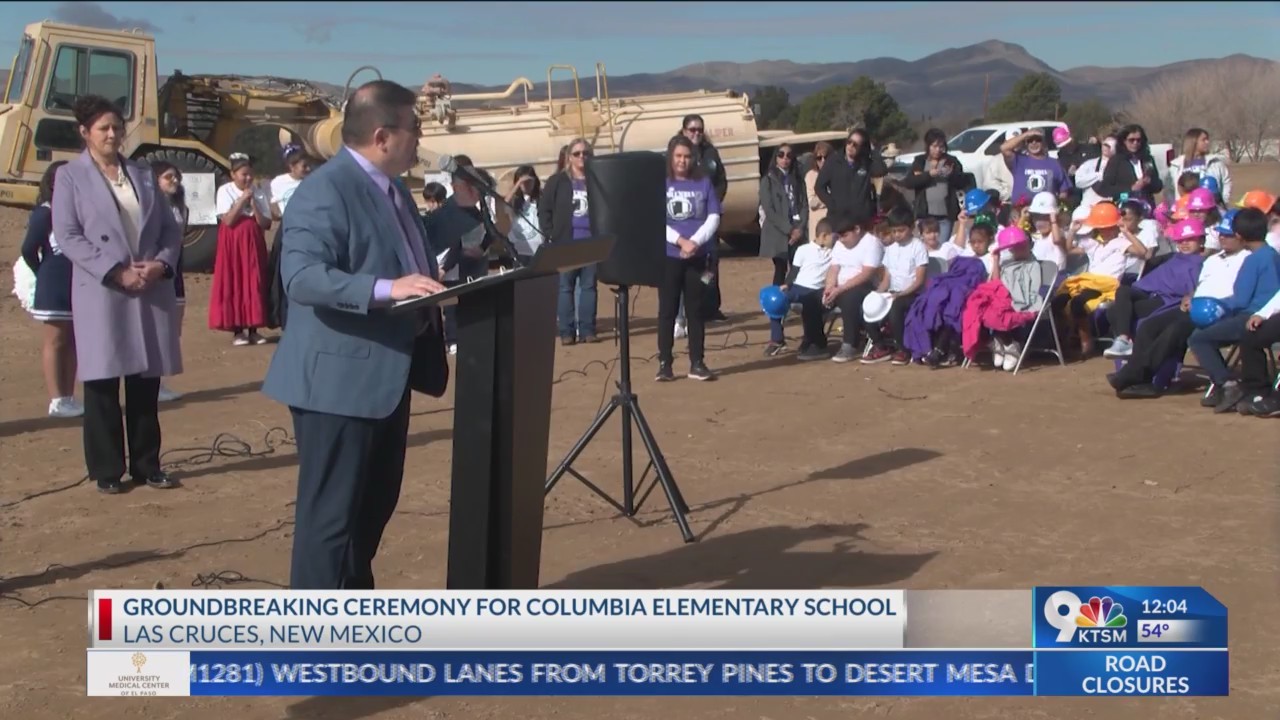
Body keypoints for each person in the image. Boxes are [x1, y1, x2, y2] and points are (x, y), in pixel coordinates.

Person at [262, 80, 448, 590]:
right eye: (416, 127)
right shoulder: (325, 190)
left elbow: (406, 262)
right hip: (337, 385)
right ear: (384, 135)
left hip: (387, 376)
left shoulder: (391, 188)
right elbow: (301, 278)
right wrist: (388, 288)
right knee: (331, 524)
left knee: (369, 514)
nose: (421, 137)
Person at [52, 95, 183, 494]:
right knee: (103, 380)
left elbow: (168, 229)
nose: (112, 134)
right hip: (103, 288)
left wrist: (160, 264)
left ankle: (147, 464)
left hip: (147, 286)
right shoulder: (70, 177)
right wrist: (114, 271)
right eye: (103, 128)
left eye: (117, 127)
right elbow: (68, 235)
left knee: (145, 380)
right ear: (84, 133)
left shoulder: (143, 174)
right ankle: (107, 469)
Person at [1190, 208, 1280, 412]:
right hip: (1269, 315)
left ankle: (1227, 384)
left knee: (1198, 338)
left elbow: (1241, 299)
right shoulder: (1273, 255)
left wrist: (1219, 305)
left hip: (1251, 317)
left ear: (1239, 236)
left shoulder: (1253, 260)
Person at [656, 134, 721, 382]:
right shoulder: (661, 183)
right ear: (671, 158)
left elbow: (714, 216)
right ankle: (665, 363)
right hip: (670, 256)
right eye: (678, 156)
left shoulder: (703, 182)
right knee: (667, 311)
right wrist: (680, 241)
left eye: (686, 156)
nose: (682, 161)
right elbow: (657, 219)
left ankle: (697, 362)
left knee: (695, 310)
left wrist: (695, 241)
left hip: (698, 256)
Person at [21, 161, 83, 418]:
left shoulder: (80, 211)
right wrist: (43, 272)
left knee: (73, 341)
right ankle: (56, 399)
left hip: (77, 282)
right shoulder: (44, 212)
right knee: (56, 340)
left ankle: (69, 397)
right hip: (53, 282)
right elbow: (28, 249)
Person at [1103, 217, 1208, 359]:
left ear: (1201, 241)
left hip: (1168, 300)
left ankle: (1129, 345)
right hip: (1151, 293)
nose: (1184, 244)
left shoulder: (1201, 263)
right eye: (1181, 240)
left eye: (1190, 240)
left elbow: (1194, 288)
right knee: (1123, 291)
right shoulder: (1174, 257)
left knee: (1114, 311)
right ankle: (1124, 340)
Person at [539, 137, 598, 346]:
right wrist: (549, 232)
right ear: (569, 157)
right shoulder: (558, 181)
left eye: (586, 153)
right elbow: (544, 208)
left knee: (589, 286)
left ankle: (588, 329)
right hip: (565, 241)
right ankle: (566, 331)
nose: (582, 157)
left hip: (591, 242)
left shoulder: (597, 179)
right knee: (565, 287)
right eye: (577, 153)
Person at [210, 152, 273, 345]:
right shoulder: (225, 191)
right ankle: (237, 331)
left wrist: (254, 204)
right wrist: (242, 200)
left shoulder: (259, 191)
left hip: (253, 242)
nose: (247, 178)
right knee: (235, 279)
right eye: (243, 174)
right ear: (233, 175)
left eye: (250, 174)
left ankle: (254, 328)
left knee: (254, 280)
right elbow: (228, 220)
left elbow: (266, 223)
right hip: (233, 243)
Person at [863, 206, 929, 365]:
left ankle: (903, 349)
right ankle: (881, 346)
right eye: (894, 231)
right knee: (868, 306)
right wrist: (877, 294)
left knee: (896, 309)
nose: (897, 235)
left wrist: (901, 294)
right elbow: (887, 278)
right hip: (892, 293)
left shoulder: (918, 247)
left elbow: (919, 280)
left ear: (911, 228)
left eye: (901, 230)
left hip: (913, 294)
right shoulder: (890, 249)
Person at [822, 210, 884, 363]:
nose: (841, 240)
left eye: (845, 235)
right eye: (839, 236)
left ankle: (850, 343)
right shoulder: (839, 245)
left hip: (865, 286)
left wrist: (839, 290)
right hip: (840, 287)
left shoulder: (871, 243)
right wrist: (829, 287)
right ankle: (815, 341)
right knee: (811, 297)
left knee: (850, 298)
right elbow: (834, 268)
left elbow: (867, 273)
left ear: (857, 229)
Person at [768, 217, 834, 360]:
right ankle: (777, 338)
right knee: (774, 300)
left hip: (817, 289)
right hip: (798, 287)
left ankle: (815, 343)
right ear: (823, 236)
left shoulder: (833, 252)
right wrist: (786, 284)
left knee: (810, 303)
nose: (834, 241)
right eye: (832, 237)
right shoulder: (803, 250)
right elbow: (794, 271)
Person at [150, 161, 188, 402]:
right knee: (157, 328)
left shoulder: (181, 208)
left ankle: (161, 380)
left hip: (177, 271)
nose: (174, 181)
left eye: (176, 177)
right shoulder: (150, 207)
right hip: (159, 272)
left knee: (174, 329)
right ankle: (153, 383)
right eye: (168, 177)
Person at [901, 128, 965, 245]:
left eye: (941, 146)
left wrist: (951, 175)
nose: (938, 150)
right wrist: (928, 174)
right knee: (926, 247)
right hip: (925, 215)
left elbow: (961, 182)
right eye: (934, 146)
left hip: (945, 215)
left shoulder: (951, 161)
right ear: (928, 146)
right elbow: (909, 182)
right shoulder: (920, 161)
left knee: (942, 246)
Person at [759, 143, 808, 286]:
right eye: (781, 155)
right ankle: (776, 303)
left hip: (797, 228)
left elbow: (804, 205)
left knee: (797, 268)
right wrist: (789, 230)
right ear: (776, 158)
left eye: (788, 156)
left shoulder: (798, 180)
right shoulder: (767, 180)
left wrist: (800, 228)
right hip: (778, 232)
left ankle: (793, 299)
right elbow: (769, 210)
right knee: (780, 269)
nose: (785, 158)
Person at [814, 128, 887, 221]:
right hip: (839, 218)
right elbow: (819, 187)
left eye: (855, 144)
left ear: (862, 147)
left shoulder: (866, 163)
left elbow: (881, 170)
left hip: (862, 219)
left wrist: (872, 150)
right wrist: (833, 205)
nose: (851, 146)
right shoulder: (833, 161)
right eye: (849, 142)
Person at [1096, 124, 1164, 207]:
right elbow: (1105, 188)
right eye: (1131, 140)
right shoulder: (1116, 161)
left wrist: (1150, 181)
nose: (1135, 143)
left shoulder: (1148, 159)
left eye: (1138, 140)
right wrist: (1130, 189)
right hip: (1124, 204)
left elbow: (1158, 186)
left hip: (1146, 204)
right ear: (1124, 141)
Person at [1000, 128, 1071, 205]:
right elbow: (1004, 148)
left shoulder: (1055, 163)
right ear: (1026, 144)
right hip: (1021, 210)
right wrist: (1026, 134)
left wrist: (1059, 208)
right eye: (1030, 140)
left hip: (1046, 210)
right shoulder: (1019, 161)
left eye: (1038, 140)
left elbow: (1063, 191)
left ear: (1043, 142)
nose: (1034, 143)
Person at [1167, 128, 1232, 205]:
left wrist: (1223, 201)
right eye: (1203, 140)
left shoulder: (1215, 163)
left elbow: (1226, 182)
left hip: (1210, 208)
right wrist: (1173, 207)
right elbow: (1169, 189)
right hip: (1185, 209)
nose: (1207, 142)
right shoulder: (1177, 165)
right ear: (1193, 141)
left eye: (1207, 139)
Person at [502, 165, 542, 265]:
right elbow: (503, 205)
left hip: (537, 248)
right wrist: (518, 184)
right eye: (523, 183)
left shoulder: (540, 198)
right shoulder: (515, 200)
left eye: (529, 182)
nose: (526, 185)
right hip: (518, 249)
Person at [805, 141, 833, 245]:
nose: (823, 161)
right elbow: (812, 203)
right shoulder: (811, 176)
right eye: (819, 158)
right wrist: (830, 198)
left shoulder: (837, 173)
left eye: (826, 157)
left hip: (834, 223)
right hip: (818, 225)